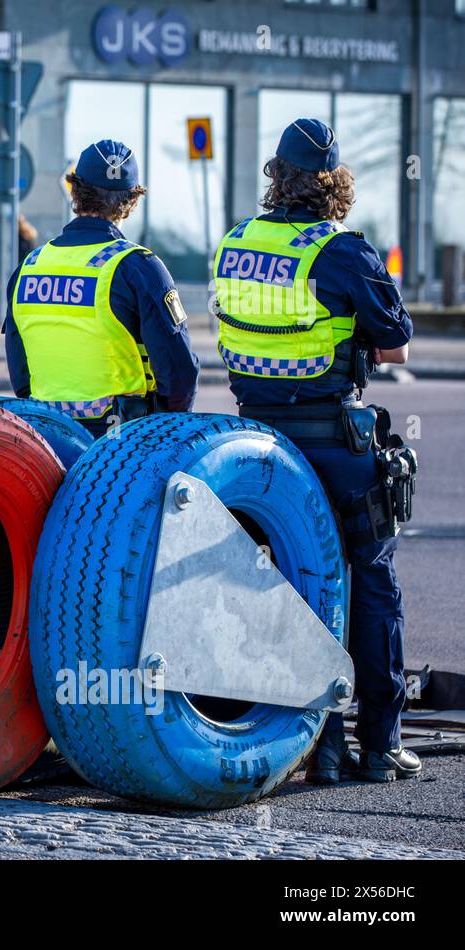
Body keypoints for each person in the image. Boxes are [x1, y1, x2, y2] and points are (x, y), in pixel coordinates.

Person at [211, 118, 418, 784]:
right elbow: (396, 347)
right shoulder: (343, 251)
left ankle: (318, 743)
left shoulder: (235, 243)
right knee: (373, 581)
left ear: (278, 175)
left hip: (257, 447)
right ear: (333, 182)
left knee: (296, 584)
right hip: (334, 443)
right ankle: (379, 744)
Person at [3, 139, 199, 437]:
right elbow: (178, 375)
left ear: (75, 191)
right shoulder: (139, 267)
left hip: (46, 438)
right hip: (125, 442)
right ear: (131, 201)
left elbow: (21, 377)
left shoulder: (29, 266)